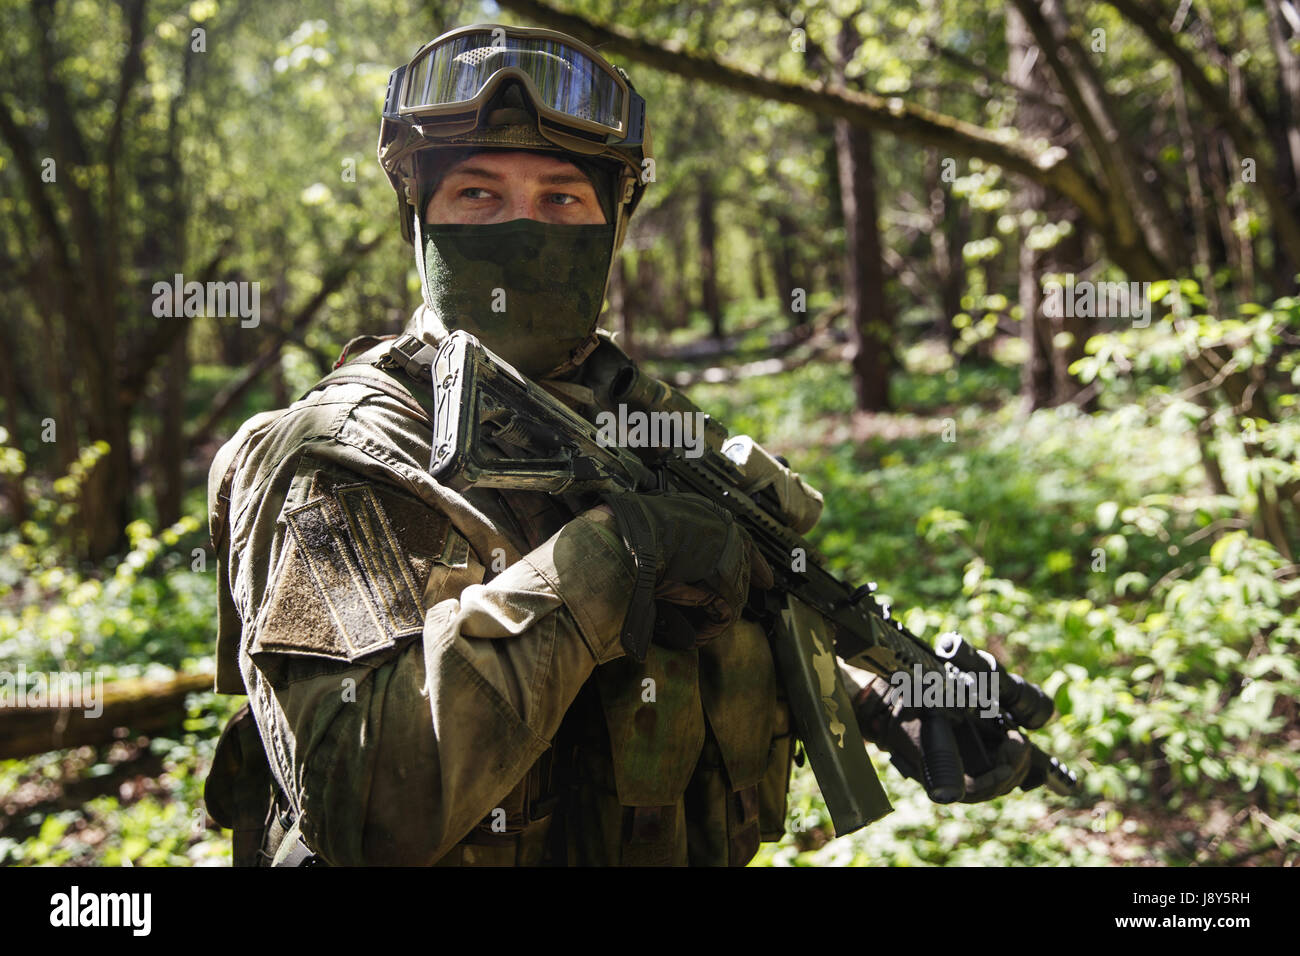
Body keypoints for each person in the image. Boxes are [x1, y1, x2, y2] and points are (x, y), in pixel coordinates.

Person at [203, 23, 1033, 867]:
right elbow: (370, 808)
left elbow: (742, 602)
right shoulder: (343, 452)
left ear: (613, 227)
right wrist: (618, 554)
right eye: (479, 196)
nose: (522, 228)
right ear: (420, 219)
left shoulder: (634, 415)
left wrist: (883, 697)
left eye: (562, 199)